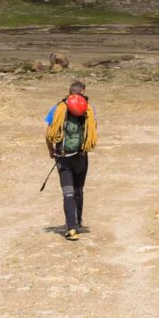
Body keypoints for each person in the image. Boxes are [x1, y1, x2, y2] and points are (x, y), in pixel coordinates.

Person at [43, 79, 98, 239]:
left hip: (62, 156)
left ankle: (72, 229)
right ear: (83, 91)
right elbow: (93, 131)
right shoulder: (89, 109)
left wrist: (51, 151)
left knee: (67, 193)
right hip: (81, 156)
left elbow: (48, 133)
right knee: (78, 190)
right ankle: (78, 221)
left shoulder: (58, 108)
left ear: (69, 91)